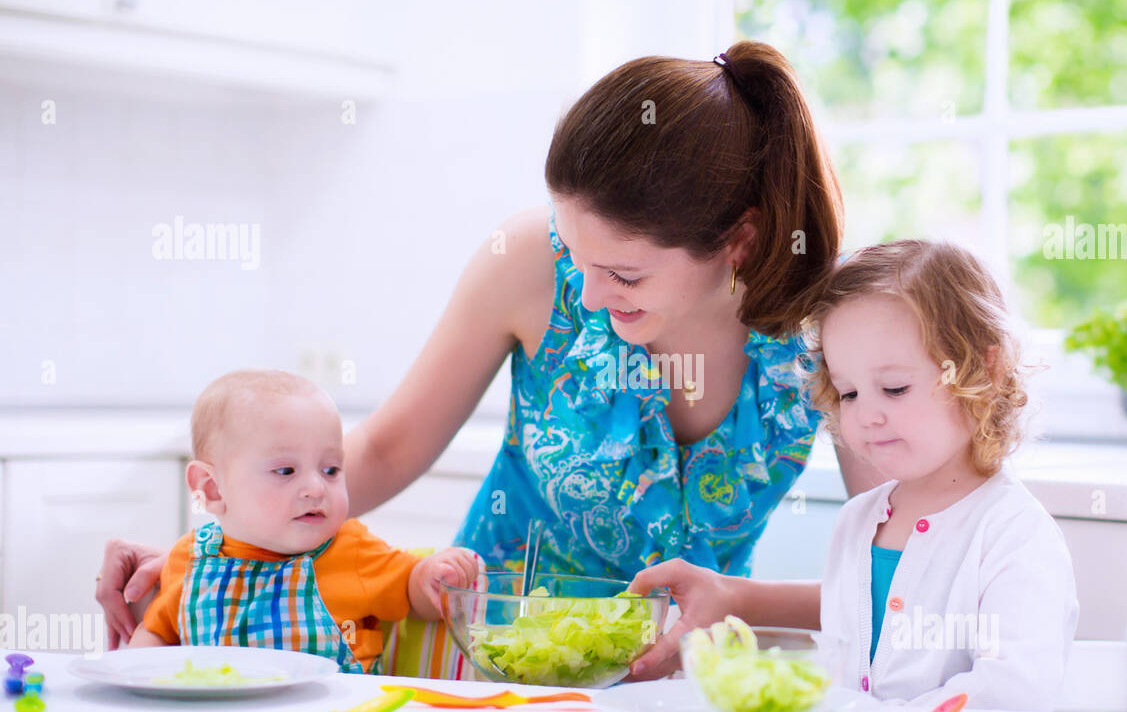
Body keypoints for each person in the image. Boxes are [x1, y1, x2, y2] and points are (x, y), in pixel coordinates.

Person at [96, 41, 883, 679]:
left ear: (738, 240)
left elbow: (895, 562)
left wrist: (741, 599)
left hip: (679, 687)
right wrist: (209, 550)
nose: (594, 293)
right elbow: (385, 450)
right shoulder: (527, 264)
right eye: (578, 257)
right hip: (483, 664)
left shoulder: (835, 327)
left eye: (627, 274)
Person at [636, 240, 1079, 710]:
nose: (866, 414)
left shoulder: (1014, 533)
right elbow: (842, 673)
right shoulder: (857, 521)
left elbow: (1013, 690)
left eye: (894, 388)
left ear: (981, 371)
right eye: (848, 393)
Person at [128, 369, 481, 674]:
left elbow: (408, 589)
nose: (316, 488)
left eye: (330, 470)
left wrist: (429, 577)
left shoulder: (352, 549)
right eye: (285, 471)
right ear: (212, 488)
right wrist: (133, 675)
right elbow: (158, 632)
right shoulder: (188, 559)